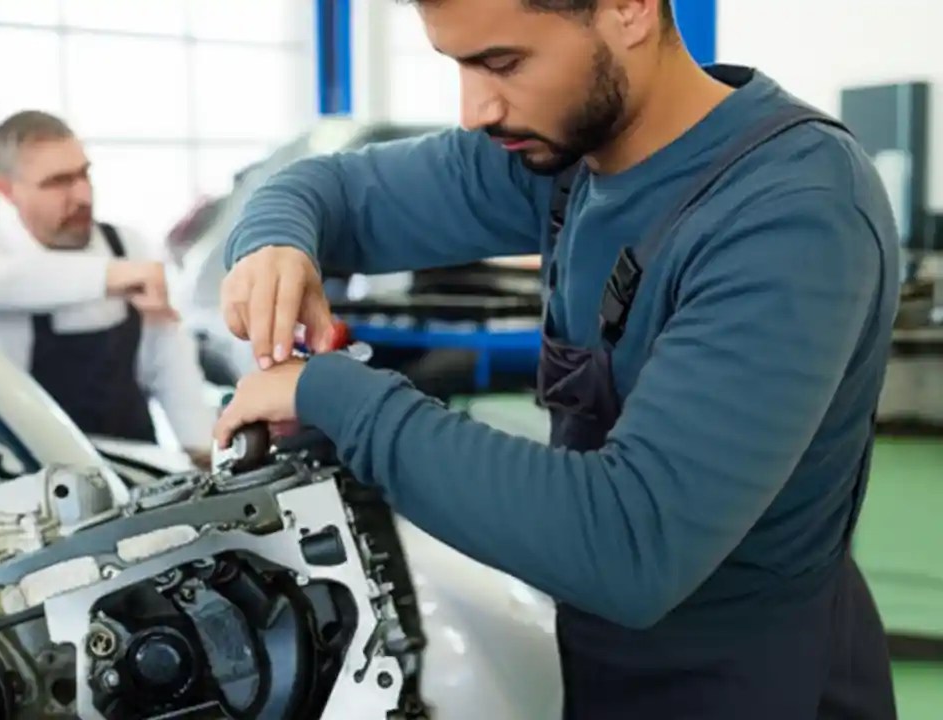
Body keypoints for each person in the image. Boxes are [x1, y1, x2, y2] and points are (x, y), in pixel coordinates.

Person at [213, 0, 901, 718]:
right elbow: (333, 191)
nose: (476, 108)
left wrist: (337, 396)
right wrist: (274, 245)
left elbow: (631, 544)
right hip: (606, 664)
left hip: (754, 682)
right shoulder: (568, 154)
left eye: (503, 63)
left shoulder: (793, 212)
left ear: (628, 11)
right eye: (458, 64)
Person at [0, 110, 214, 467]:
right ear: (6, 190)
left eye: (84, 174)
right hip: (27, 474)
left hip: (133, 468)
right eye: (58, 182)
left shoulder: (128, 247)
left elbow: (169, 364)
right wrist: (114, 276)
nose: (82, 195)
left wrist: (203, 450)